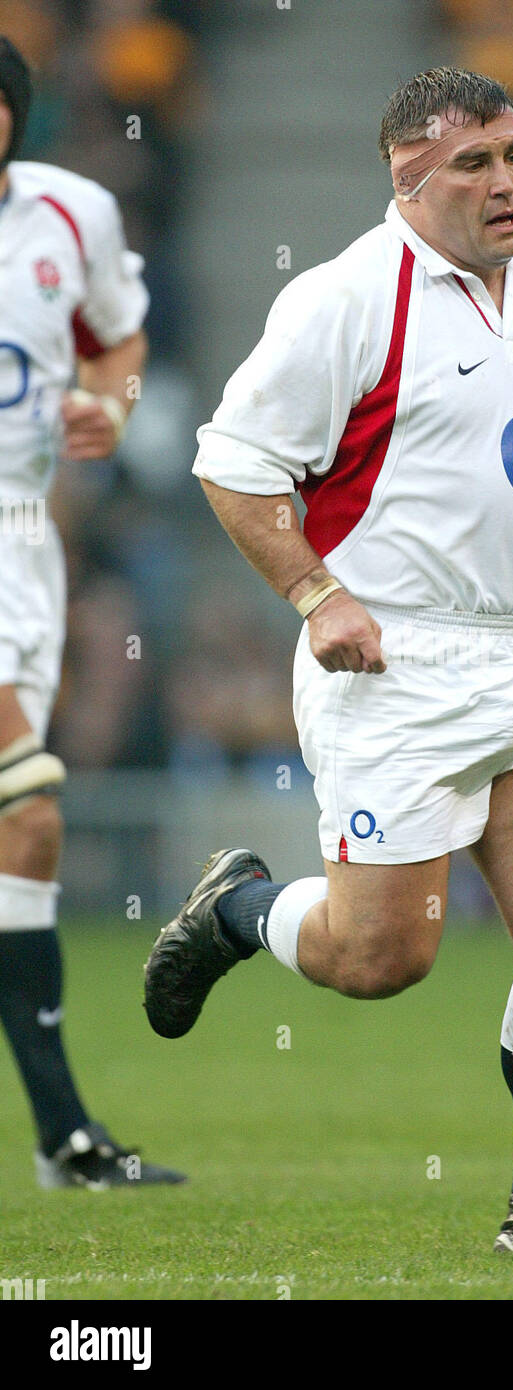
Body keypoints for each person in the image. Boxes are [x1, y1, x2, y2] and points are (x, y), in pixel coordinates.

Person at [145, 67, 513, 1251]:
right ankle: (240, 912)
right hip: (395, 659)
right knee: (381, 957)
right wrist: (316, 593)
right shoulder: (345, 301)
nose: (504, 181)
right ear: (406, 178)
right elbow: (231, 460)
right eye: (472, 163)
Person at [0, 36, 184, 1189]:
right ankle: (65, 1128)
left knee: (21, 830)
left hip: (22, 537)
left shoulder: (71, 215)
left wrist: (109, 411)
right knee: (29, 801)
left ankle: (63, 1134)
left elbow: (118, 340)